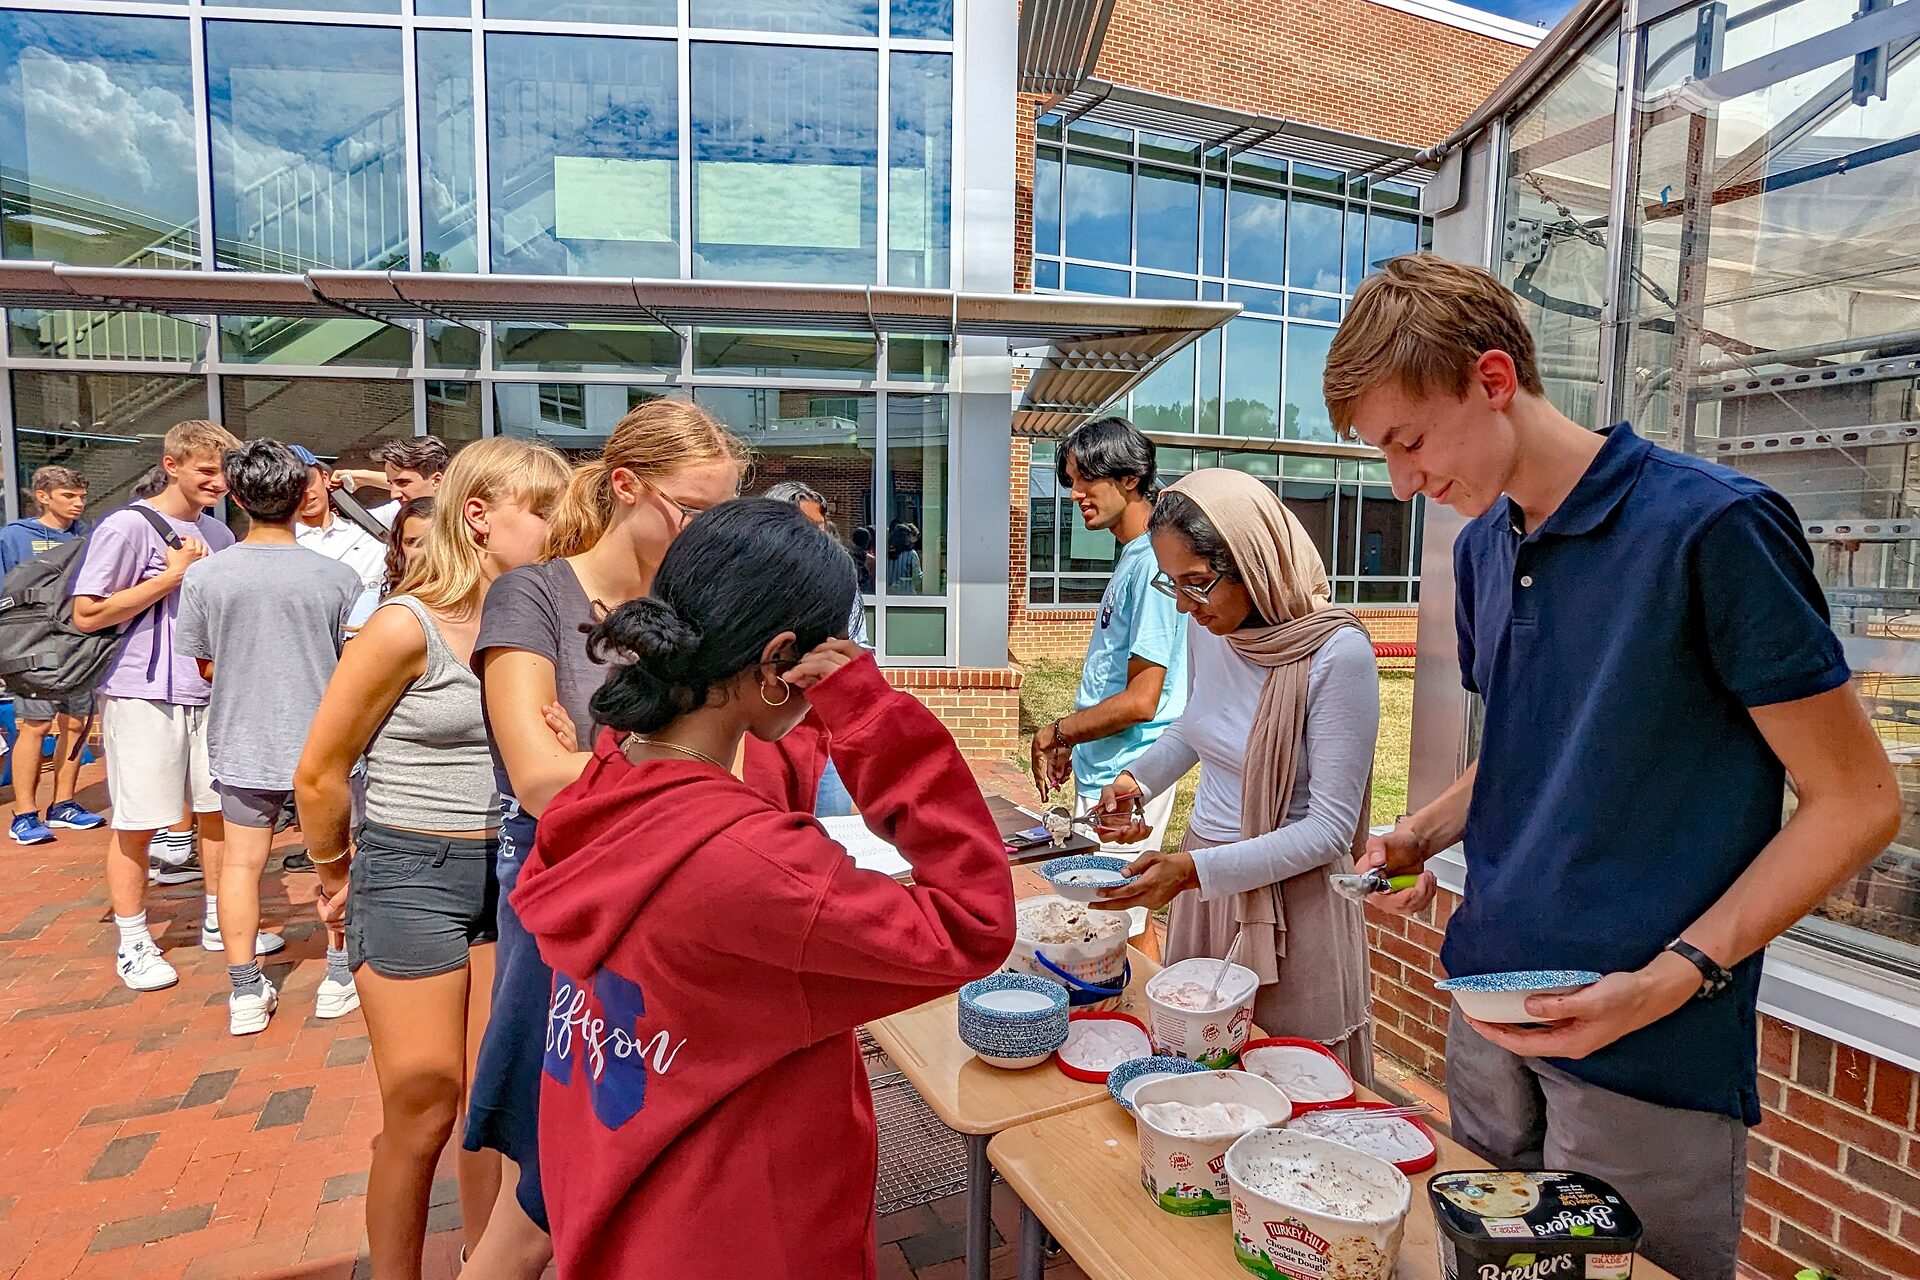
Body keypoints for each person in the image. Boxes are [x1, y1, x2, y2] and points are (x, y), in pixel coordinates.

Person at [1329, 255, 1900, 1280]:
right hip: (1490, 1011)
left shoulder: (1714, 528)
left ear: (1493, 380)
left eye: (1408, 442)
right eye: (1384, 454)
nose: (1403, 482)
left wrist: (1670, 980)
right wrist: (1423, 831)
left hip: (1649, 1051)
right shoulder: (1483, 549)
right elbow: (1528, 744)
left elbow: (1856, 801)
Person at [509, 499, 1017, 1279]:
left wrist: (808, 701)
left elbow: (763, 749)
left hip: (624, 1203)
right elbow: (975, 923)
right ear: (781, 659)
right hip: (747, 1228)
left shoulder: (609, 778)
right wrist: (874, 715)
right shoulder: (754, 866)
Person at [460, 400, 745, 1279]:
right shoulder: (533, 592)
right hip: (565, 896)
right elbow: (538, 780)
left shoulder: (691, 608)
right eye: (695, 513)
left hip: (662, 899)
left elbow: (719, 767)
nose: (709, 538)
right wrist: (642, 775)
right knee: (549, 1165)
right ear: (626, 487)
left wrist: (591, 759)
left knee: (630, 1145)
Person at [294, 437, 569, 1280]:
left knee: (493, 1107)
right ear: (480, 517)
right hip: (413, 870)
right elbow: (319, 769)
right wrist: (337, 872)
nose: (565, 528)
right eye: (546, 511)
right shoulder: (403, 625)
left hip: (515, 872)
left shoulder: (551, 624)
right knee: (422, 1105)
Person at [1093, 469, 1379, 1081]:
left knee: (1292, 1077)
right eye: (1173, 585)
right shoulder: (1213, 631)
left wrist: (1195, 872)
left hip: (1292, 901)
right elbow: (1196, 728)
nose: (1184, 607)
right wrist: (1136, 783)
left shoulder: (1336, 654)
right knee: (1203, 1066)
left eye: (1198, 584)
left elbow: (1329, 830)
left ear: (1258, 565)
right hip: (1207, 884)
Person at [71, 420, 269, 992]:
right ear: (173, 463)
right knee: (139, 820)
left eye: (224, 473)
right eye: (207, 470)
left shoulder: (221, 533)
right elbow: (88, 612)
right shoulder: (128, 526)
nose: (217, 483)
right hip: (143, 692)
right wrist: (173, 576)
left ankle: (217, 916)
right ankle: (133, 939)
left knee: (216, 812)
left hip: (211, 692)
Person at [174, 441, 362, 1034]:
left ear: (236, 495)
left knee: (240, 865)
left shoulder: (205, 575)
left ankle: (244, 990)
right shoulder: (337, 576)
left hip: (241, 738)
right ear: (301, 492)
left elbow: (203, 664)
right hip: (326, 745)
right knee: (336, 861)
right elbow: (353, 661)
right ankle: (338, 972)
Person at [1027, 418, 1189, 851]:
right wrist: (1075, 740)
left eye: (1086, 480)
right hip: (1106, 768)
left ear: (1130, 477)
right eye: (1072, 481)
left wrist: (1058, 732)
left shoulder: (1155, 561)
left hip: (1127, 778)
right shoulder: (1135, 556)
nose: (1075, 493)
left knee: (1111, 915)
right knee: (1119, 913)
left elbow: (1142, 699)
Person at [1, 465, 106, 844]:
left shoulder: (91, 535)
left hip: (78, 644)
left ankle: (63, 804)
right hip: (33, 646)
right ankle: (24, 814)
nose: (78, 503)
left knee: (76, 724)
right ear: (43, 496)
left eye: (81, 495)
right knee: (35, 726)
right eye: (68, 496)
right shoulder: (13, 537)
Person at [293, 445, 387, 616]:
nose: (305, 491)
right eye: (293, 486)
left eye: (308, 480)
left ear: (325, 477)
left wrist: (362, 477)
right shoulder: (284, 544)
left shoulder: (372, 524)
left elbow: (435, 490)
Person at [334, 435, 451, 529]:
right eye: (390, 483)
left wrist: (364, 478)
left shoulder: (463, 516)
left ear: (436, 481)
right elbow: (354, 525)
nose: (393, 494)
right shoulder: (400, 511)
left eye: (403, 483)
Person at [384, 496, 435, 596]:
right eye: (413, 542)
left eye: (434, 542)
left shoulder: (472, 598)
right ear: (398, 546)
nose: (425, 552)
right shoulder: (375, 600)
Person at [886, 521, 921, 592]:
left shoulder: (886, 553)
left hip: (888, 594)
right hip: (906, 594)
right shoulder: (911, 554)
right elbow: (917, 578)